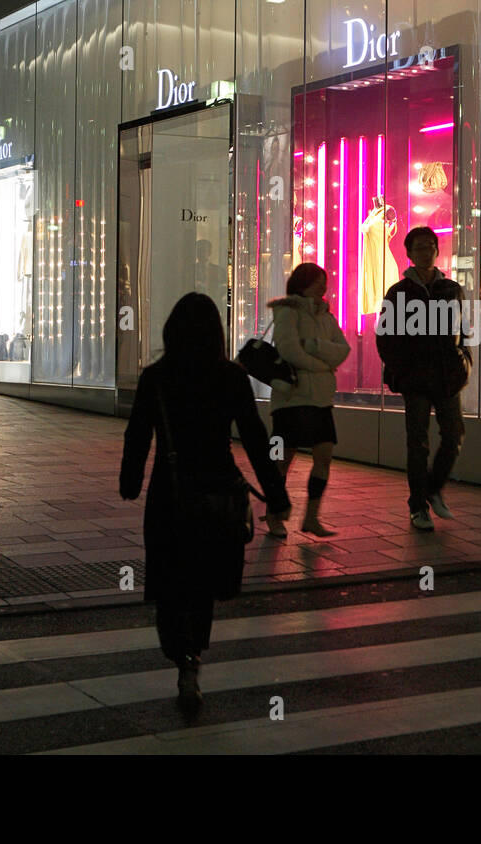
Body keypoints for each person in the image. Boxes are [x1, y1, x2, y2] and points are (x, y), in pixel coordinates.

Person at [120, 293, 291, 714]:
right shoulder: (230, 377)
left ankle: (180, 656)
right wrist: (275, 492)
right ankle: (193, 658)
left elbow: (138, 434)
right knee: (201, 583)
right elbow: (254, 437)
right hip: (216, 489)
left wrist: (130, 480)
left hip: (170, 492)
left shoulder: (157, 376)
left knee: (170, 579)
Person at [374, 226, 471, 532]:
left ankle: (432, 488)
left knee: (453, 434)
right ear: (410, 253)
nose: (426, 252)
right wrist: (401, 369)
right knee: (418, 443)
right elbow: (385, 337)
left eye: (430, 246)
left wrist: (462, 362)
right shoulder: (399, 293)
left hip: (446, 377)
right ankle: (418, 506)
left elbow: (465, 329)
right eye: (419, 248)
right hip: (415, 379)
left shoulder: (452, 289)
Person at [265, 262, 351, 539]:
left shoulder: (326, 315)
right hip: (292, 397)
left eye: (324, 281)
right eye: (316, 281)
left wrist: (314, 347)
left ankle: (311, 517)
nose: (322, 286)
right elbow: (289, 349)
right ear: (301, 283)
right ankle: (274, 514)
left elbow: (342, 349)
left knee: (324, 455)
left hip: (321, 398)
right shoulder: (287, 311)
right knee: (283, 459)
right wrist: (321, 364)